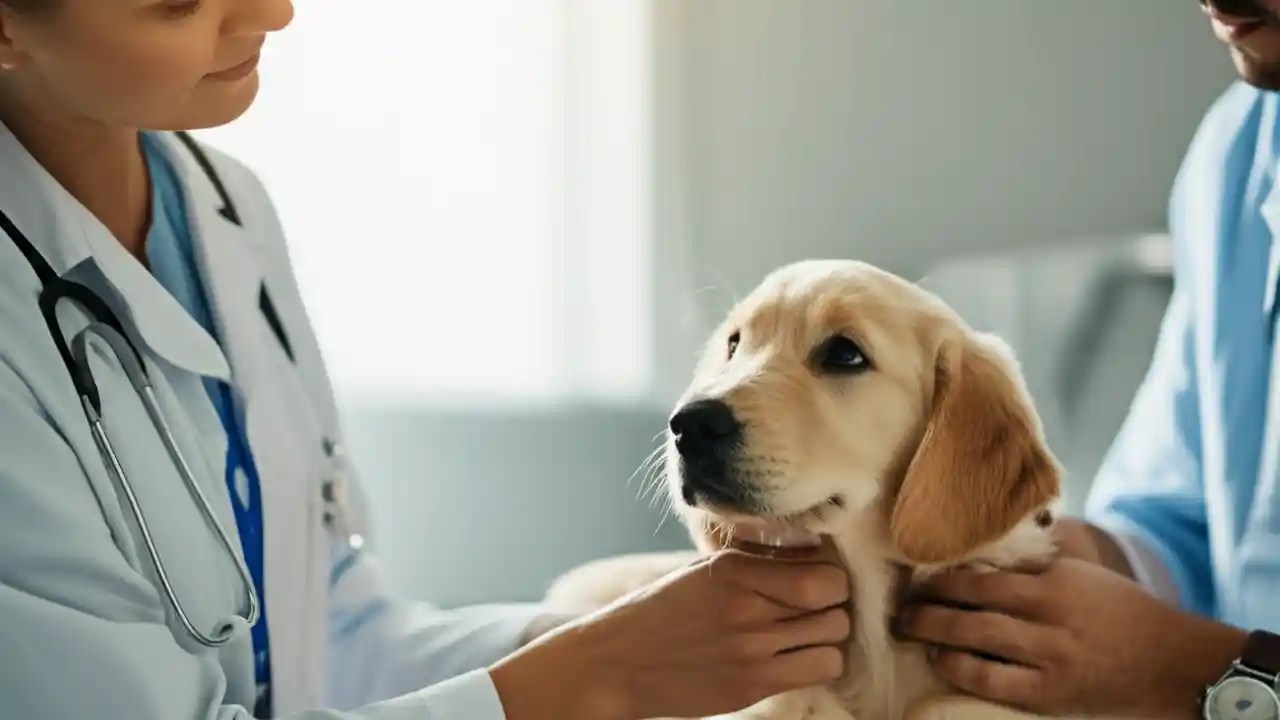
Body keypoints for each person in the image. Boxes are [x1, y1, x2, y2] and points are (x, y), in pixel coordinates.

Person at [0, 1, 853, 719]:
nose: (275, 11)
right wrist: (601, 676)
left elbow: (325, 638)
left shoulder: (225, 211)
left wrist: (669, 624)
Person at [897, 1, 1280, 718]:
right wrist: (1023, 560)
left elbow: (1171, 662)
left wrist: (1192, 673)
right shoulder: (1242, 150)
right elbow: (1179, 524)